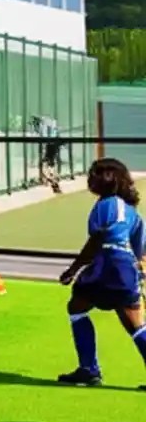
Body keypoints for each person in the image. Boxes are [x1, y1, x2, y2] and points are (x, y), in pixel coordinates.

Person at [56, 158, 146, 390]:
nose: (90, 178)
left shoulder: (108, 204)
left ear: (110, 179)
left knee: (76, 307)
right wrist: (139, 279)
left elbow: (101, 237)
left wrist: (73, 269)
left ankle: (89, 369)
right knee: (135, 325)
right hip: (124, 269)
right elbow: (139, 252)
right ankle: (88, 370)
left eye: (95, 174)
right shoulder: (132, 213)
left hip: (108, 264)